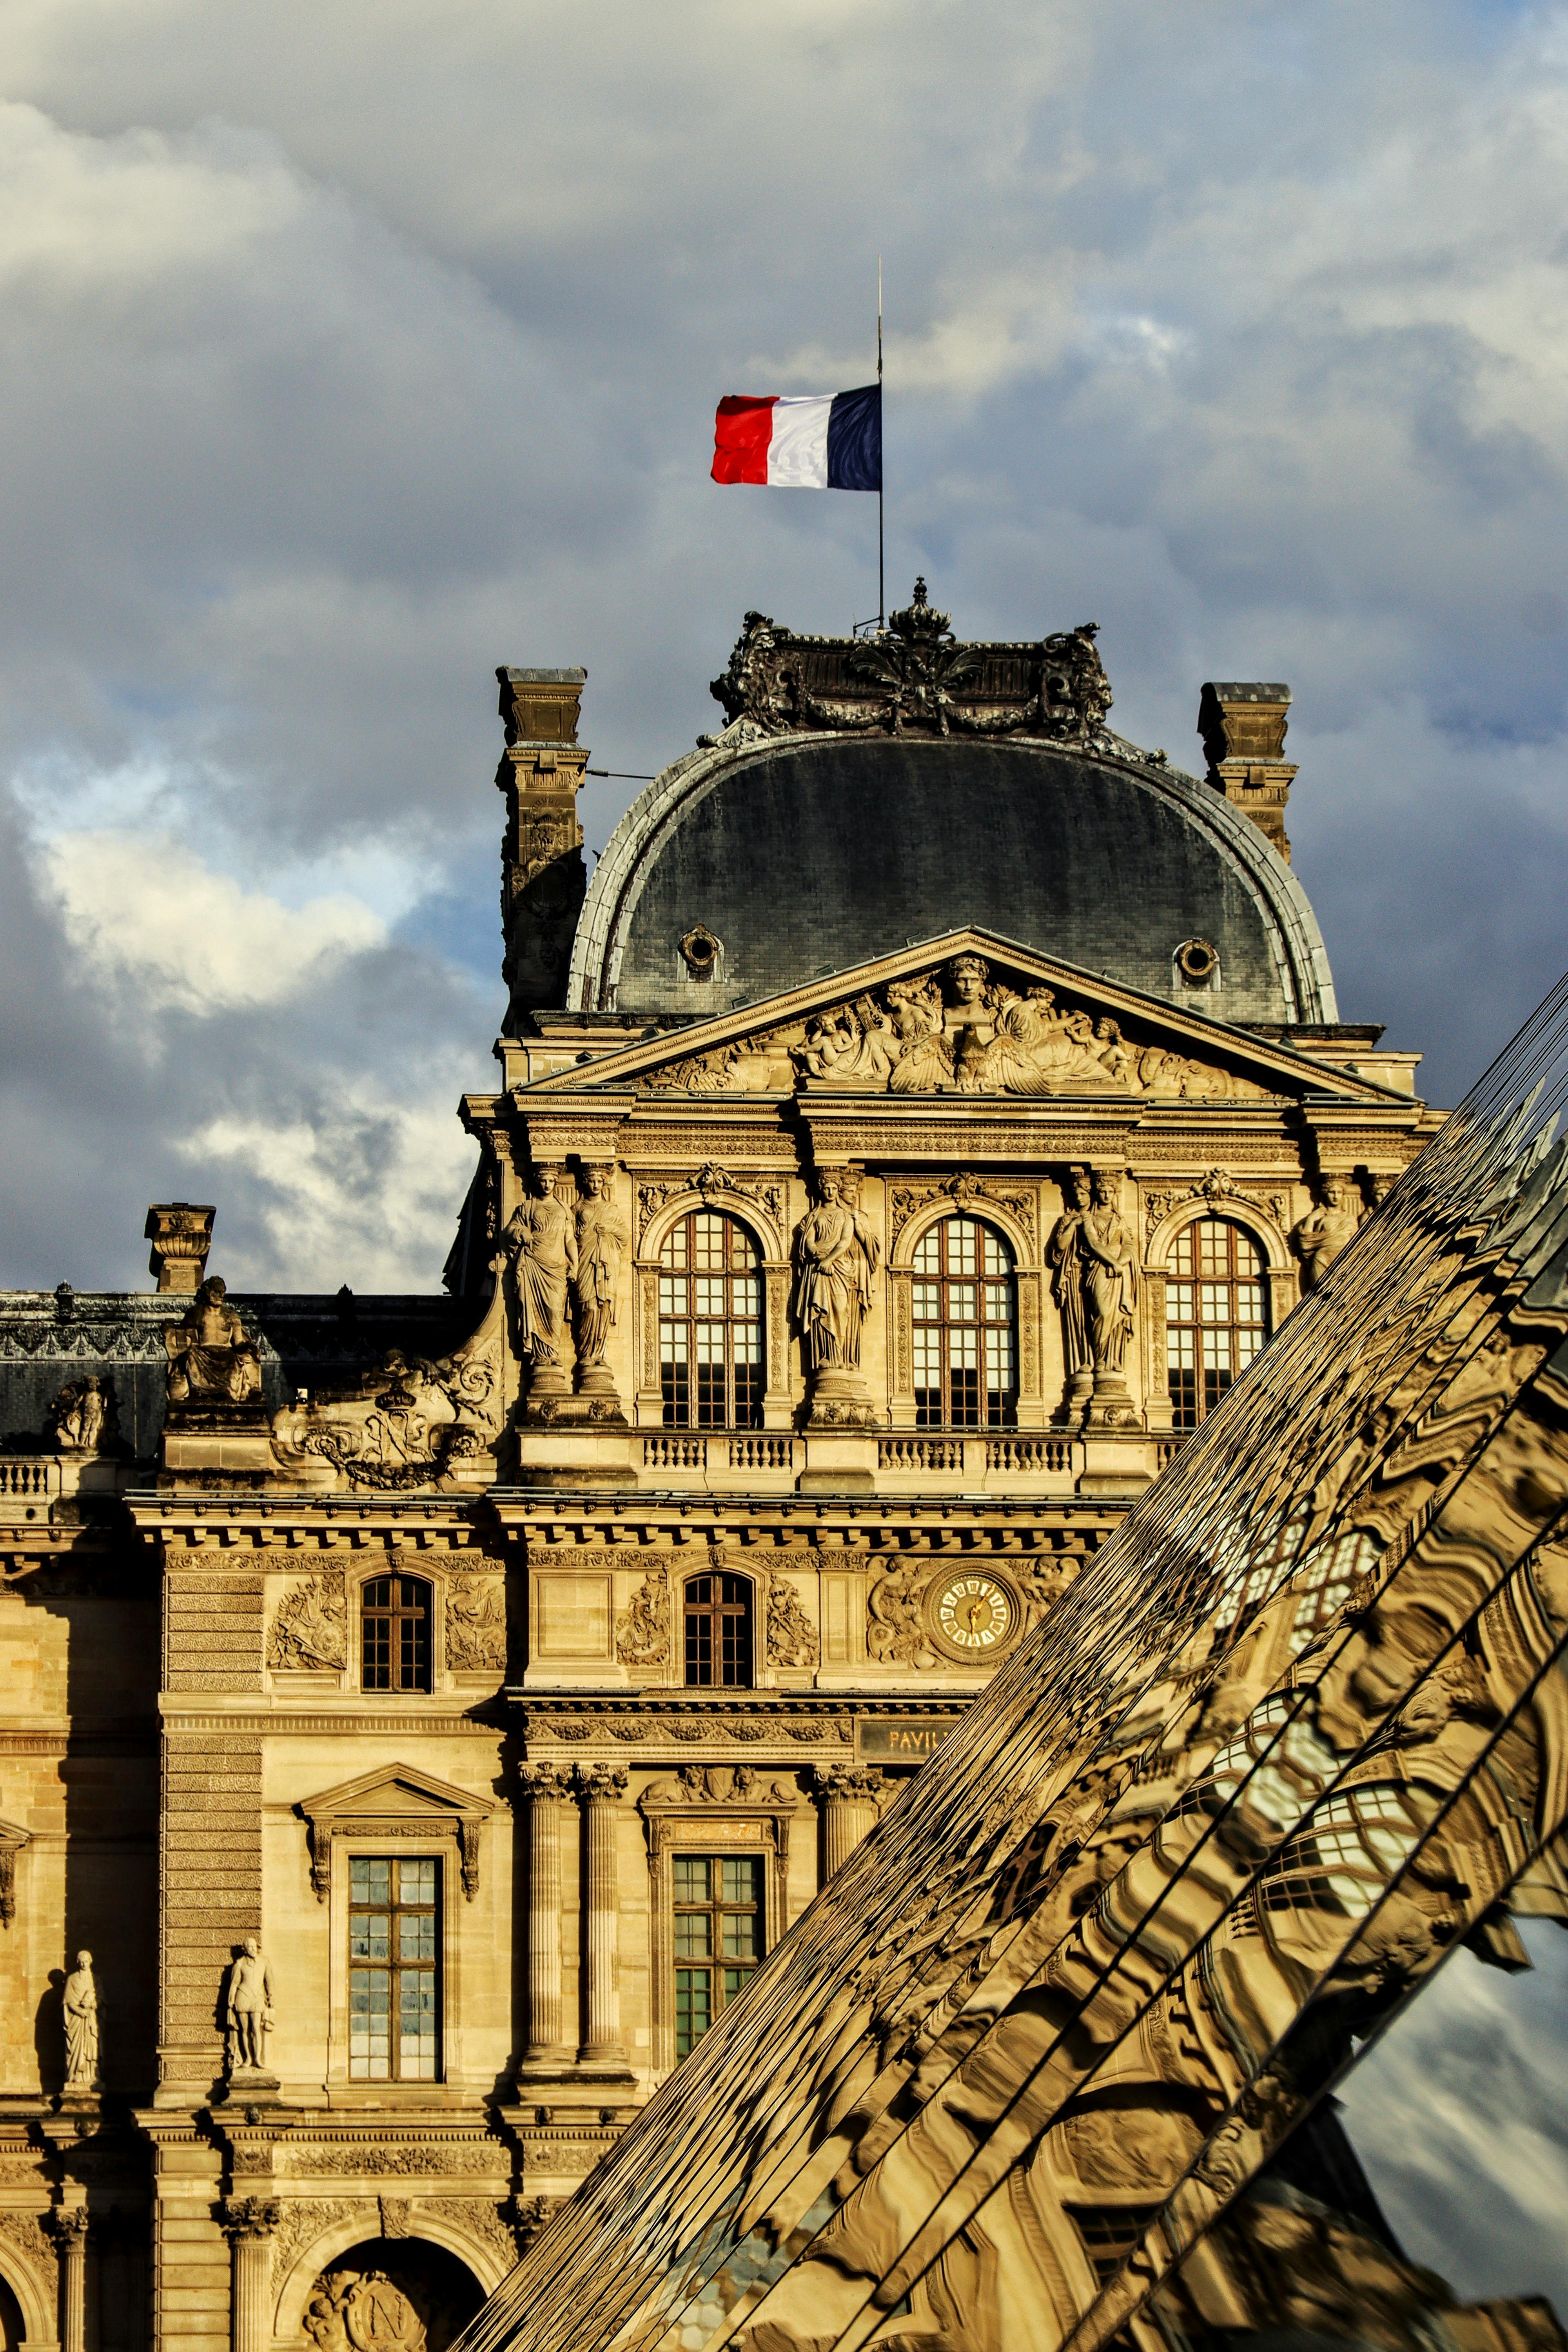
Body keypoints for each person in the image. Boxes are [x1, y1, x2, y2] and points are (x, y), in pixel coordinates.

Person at [791, 1171, 880, 1372]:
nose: (831, 1192)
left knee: (841, 1311)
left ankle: (840, 1355)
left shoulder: (846, 1216)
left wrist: (830, 1260)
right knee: (821, 1310)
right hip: (819, 1269)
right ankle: (826, 1356)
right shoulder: (814, 1216)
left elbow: (845, 1242)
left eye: (834, 1189)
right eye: (827, 1188)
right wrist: (818, 1256)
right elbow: (808, 1241)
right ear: (821, 1190)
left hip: (839, 1268)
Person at [165, 1276, 261, 1406]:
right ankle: (199, 1391)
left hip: (226, 1352)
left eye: (222, 1292)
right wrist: (169, 1329)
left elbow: (238, 1342)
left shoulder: (231, 1316)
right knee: (192, 1355)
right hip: (202, 1352)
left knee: (233, 1358)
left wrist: (247, 1347)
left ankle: (225, 1391)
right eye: (217, 1292)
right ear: (208, 1292)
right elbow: (183, 1335)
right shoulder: (197, 1313)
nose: (221, 1296)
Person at [225, 1936, 275, 2073]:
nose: (253, 1949)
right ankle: (248, 2059)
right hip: (243, 1997)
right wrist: (231, 1999)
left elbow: (269, 1981)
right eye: (250, 1947)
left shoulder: (264, 1962)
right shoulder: (239, 1963)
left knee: (256, 2029)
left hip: (258, 1997)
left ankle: (258, 2059)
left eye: (254, 1947)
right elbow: (235, 1983)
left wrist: (271, 1996)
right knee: (245, 2030)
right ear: (245, 1950)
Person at [63, 1951, 98, 2085]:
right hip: (76, 2019)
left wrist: (93, 2005)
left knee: (91, 2044)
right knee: (76, 2047)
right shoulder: (72, 1979)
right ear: (78, 1963)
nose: (84, 1964)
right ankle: (76, 2074)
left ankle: (91, 2074)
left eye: (86, 1961)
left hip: (90, 2018)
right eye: (81, 1962)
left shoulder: (95, 1979)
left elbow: (99, 1998)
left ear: (90, 1961)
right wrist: (78, 2011)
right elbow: (68, 2000)